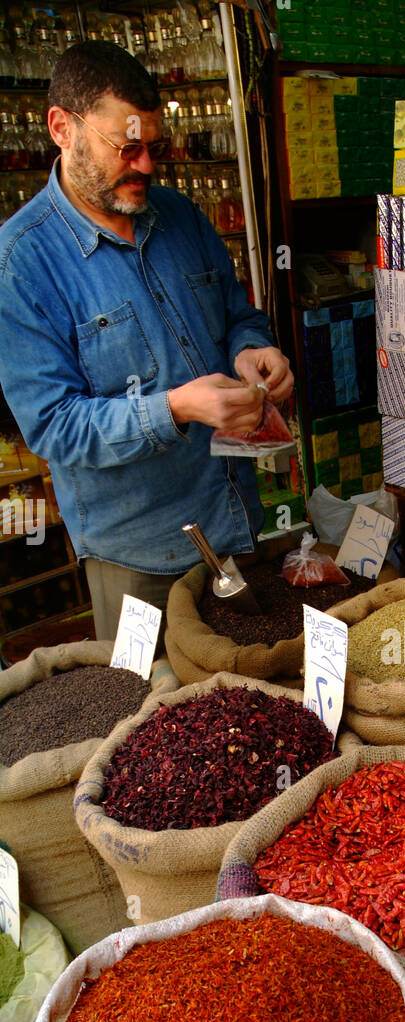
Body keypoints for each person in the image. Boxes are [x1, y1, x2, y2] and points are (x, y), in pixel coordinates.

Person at [0, 40, 294, 641]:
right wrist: (177, 408)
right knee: (157, 721)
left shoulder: (180, 215)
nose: (146, 166)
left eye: (153, 148)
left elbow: (237, 314)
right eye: (126, 149)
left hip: (234, 523)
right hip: (140, 561)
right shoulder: (20, 263)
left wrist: (249, 350)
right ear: (62, 128)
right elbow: (54, 426)